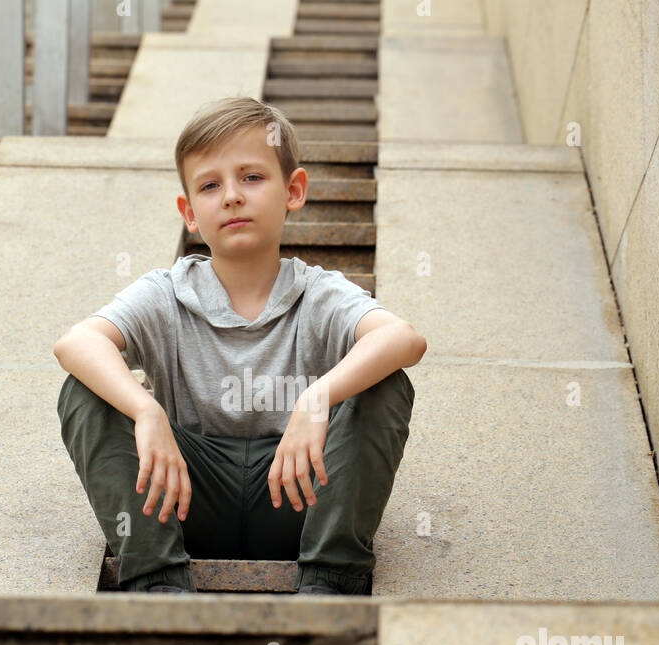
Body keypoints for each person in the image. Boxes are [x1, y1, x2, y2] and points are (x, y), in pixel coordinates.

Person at [53, 96, 426, 595]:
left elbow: (404, 338)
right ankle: (156, 581)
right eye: (210, 185)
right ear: (189, 212)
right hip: (187, 501)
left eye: (251, 177)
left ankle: (331, 580)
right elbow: (76, 342)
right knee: (87, 390)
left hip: (297, 499)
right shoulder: (167, 292)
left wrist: (318, 399)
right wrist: (147, 411)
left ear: (293, 190)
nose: (231, 196)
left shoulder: (318, 292)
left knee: (384, 384)